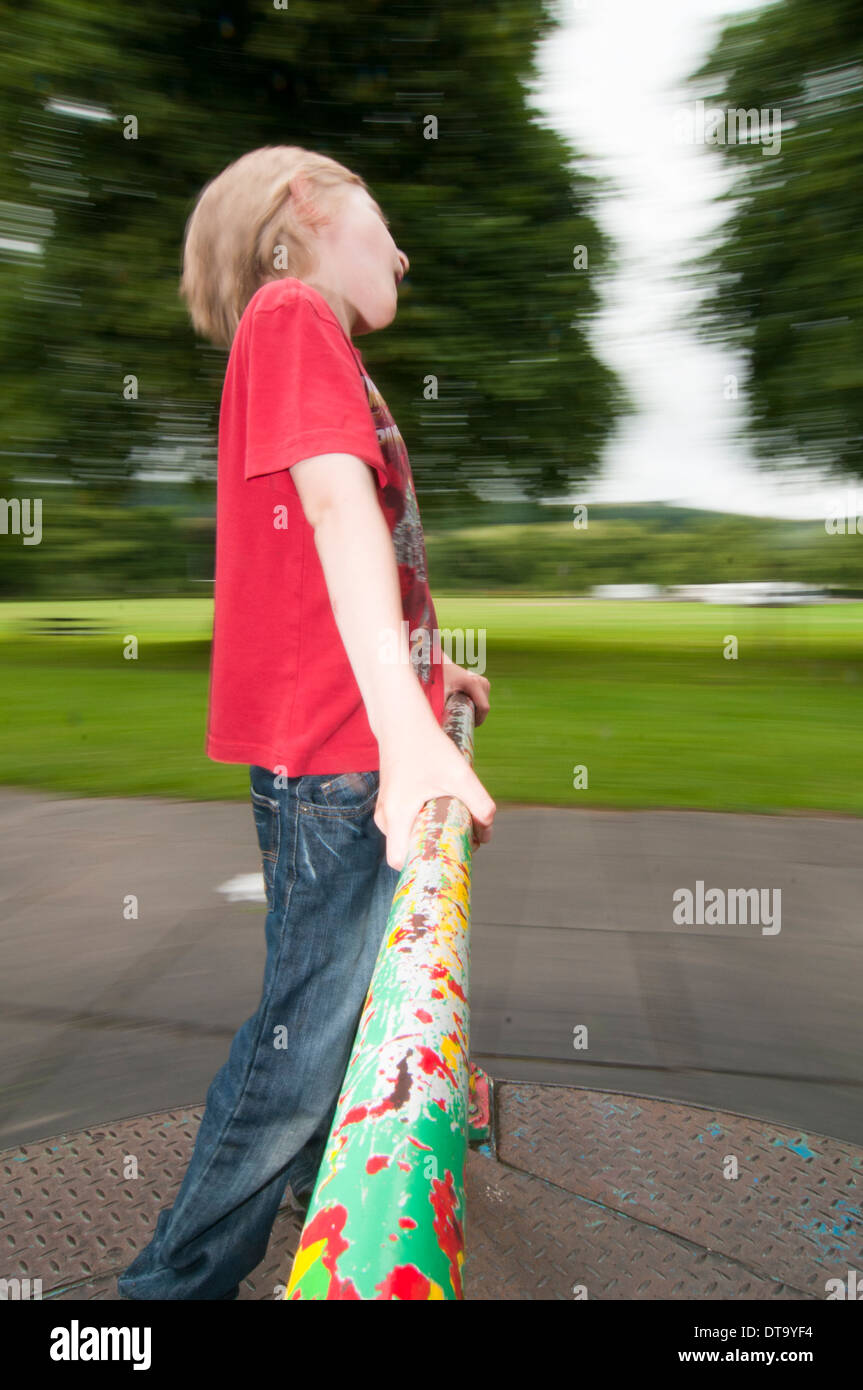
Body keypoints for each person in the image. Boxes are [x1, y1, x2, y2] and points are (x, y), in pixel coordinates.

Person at [117, 146, 496, 1300]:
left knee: (344, 1002)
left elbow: (357, 563)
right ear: (306, 206)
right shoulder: (290, 317)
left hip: (349, 741)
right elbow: (336, 511)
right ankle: (168, 1291)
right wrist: (407, 735)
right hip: (335, 760)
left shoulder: (311, 341)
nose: (404, 250)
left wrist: (431, 685)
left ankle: (313, 1175)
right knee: (305, 1037)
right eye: (384, 217)